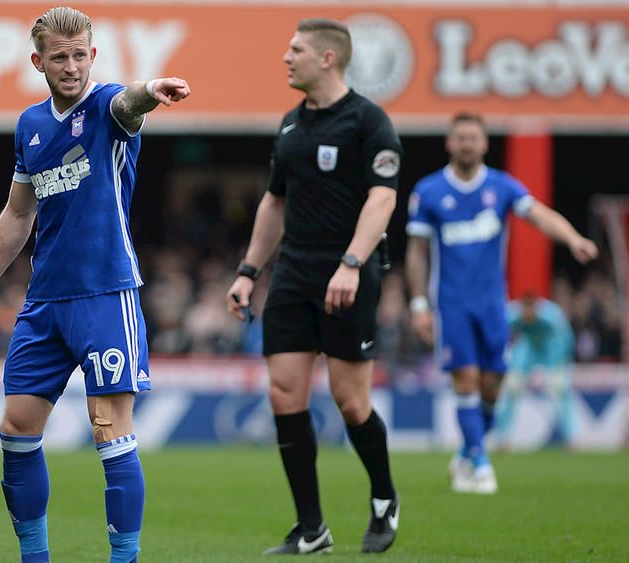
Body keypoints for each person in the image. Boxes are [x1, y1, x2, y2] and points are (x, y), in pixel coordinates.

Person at [0, 7, 190, 563]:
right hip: (44, 302)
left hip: (105, 294)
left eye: (80, 54)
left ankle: (122, 560)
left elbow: (130, 100)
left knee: (110, 431)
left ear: (94, 55)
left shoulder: (108, 108)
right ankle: (35, 557)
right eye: (59, 56)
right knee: (16, 430)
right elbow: (17, 215)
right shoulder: (30, 125)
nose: (72, 65)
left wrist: (151, 89)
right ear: (38, 62)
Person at [227, 17, 402, 555]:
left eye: (296, 49)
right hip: (295, 274)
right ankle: (312, 529)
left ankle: (384, 499)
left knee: (351, 402)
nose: (286, 56)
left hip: (348, 270)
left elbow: (383, 198)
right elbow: (274, 203)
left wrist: (352, 262)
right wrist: (248, 272)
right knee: (284, 393)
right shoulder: (290, 124)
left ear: (328, 58)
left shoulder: (368, 121)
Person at [404, 112, 597, 494]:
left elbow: (538, 213)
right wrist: (419, 305)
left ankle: (466, 452)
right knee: (467, 379)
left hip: (494, 305)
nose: (467, 144)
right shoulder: (428, 191)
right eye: (460, 137)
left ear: (484, 143)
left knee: (493, 386)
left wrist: (572, 238)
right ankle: (480, 465)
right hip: (452, 303)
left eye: (473, 137)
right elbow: (417, 252)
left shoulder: (501, 186)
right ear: (449, 142)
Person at [496, 293, 577, 450]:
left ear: (536, 309)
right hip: (527, 350)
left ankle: (571, 438)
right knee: (512, 387)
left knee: (560, 389)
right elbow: (497, 331)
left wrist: (564, 360)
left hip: (551, 349)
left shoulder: (552, 315)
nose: (528, 317)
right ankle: (503, 438)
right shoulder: (512, 314)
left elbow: (567, 338)